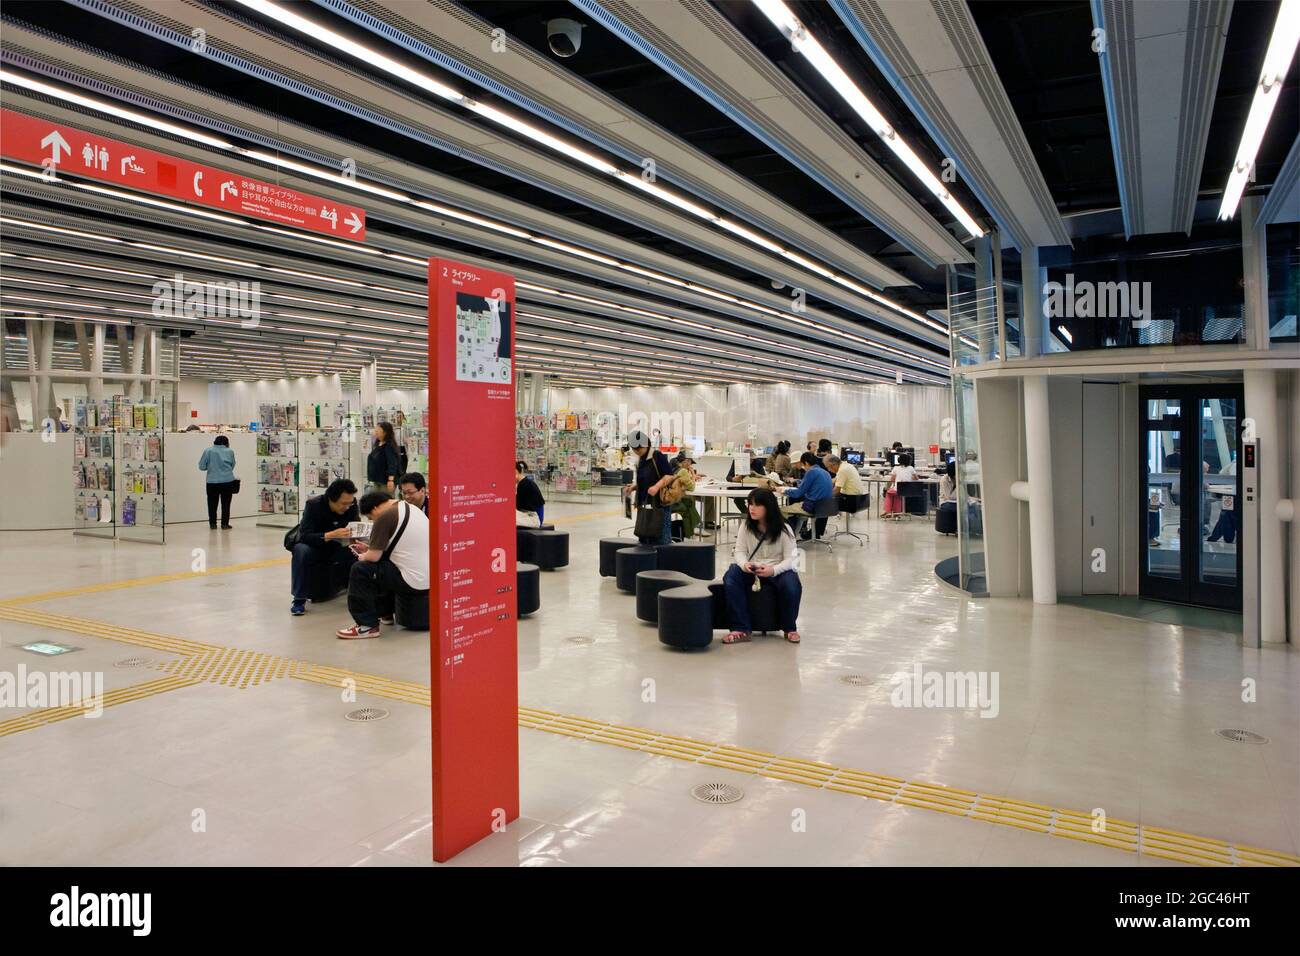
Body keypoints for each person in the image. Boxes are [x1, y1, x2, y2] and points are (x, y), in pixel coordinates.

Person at [337, 491, 430, 640]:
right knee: (384, 566)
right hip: (429, 579)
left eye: (370, 518)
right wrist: (370, 549)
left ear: (374, 509)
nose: (373, 521)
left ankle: (366, 626)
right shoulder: (410, 508)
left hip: (412, 581)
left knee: (361, 569)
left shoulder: (385, 516)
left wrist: (362, 556)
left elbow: (373, 557)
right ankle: (386, 613)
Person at [722, 488, 802, 645]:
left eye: (757, 505)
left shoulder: (784, 529)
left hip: (777, 571)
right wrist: (745, 565)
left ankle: (789, 628)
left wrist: (773, 570)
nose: (752, 508)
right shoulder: (746, 526)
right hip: (752, 570)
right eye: (750, 504)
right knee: (731, 576)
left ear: (768, 506)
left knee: (791, 583)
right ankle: (741, 628)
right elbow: (739, 551)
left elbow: (792, 559)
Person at [289, 478, 359, 616]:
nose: (346, 507)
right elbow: (304, 536)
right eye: (343, 503)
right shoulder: (314, 505)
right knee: (300, 550)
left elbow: (356, 524)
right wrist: (330, 535)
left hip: (341, 546)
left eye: (349, 503)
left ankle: (358, 595)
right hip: (317, 546)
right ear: (331, 499)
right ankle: (299, 599)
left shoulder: (351, 505)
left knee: (361, 550)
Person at [623, 430, 675, 546]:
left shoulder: (657, 456)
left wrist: (657, 486)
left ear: (646, 444)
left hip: (659, 505)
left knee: (661, 539)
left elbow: (670, 476)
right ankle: (647, 562)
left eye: (639, 449)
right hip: (644, 505)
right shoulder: (640, 459)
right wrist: (633, 487)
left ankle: (663, 563)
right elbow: (644, 481)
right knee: (644, 536)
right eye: (634, 449)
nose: (637, 451)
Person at [778, 452, 832, 538]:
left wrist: (784, 490)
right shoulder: (824, 472)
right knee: (795, 507)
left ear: (806, 463)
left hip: (813, 506)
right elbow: (811, 484)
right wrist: (798, 481)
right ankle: (798, 533)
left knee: (783, 510)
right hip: (826, 506)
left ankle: (789, 537)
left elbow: (798, 493)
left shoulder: (811, 472)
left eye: (803, 465)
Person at [198, 434, 238, 530]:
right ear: (226, 443)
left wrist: (211, 467)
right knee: (226, 504)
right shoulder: (230, 451)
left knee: (212, 504)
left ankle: (213, 524)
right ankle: (224, 524)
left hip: (212, 481)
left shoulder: (208, 451)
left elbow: (202, 466)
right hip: (228, 481)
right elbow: (232, 465)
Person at [671, 451, 701, 539]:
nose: (690, 465)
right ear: (686, 461)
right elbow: (692, 487)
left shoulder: (674, 468)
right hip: (675, 502)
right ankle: (692, 529)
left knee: (689, 501)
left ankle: (693, 529)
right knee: (689, 503)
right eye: (690, 463)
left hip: (670, 499)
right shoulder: (683, 471)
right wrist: (693, 474)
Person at [366, 421, 401, 497]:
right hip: (377, 480)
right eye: (376, 431)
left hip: (386, 481)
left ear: (385, 432)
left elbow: (392, 463)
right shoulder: (378, 444)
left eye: (378, 431)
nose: (376, 433)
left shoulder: (389, 446)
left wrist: (390, 480)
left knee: (386, 501)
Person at [515, 460, 546, 527]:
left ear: (516, 472)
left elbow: (517, 505)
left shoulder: (524, 485)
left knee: (508, 518)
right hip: (532, 515)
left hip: (535, 519)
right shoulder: (525, 482)